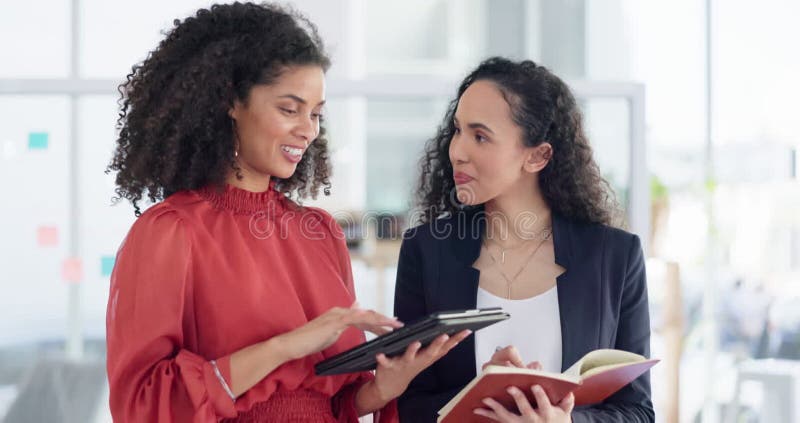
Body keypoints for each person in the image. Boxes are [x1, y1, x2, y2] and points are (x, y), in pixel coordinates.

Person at [105, 3, 469, 422]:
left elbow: (333, 404)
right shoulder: (170, 232)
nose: (309, 129)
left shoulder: (320, 232)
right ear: (230, 101)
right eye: (289, 109)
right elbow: (141, 406)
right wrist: (286, 346)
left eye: (315, 114)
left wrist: (384, 387)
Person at [394, 57, 654, 422]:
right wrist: (476, 396)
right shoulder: (426, 251)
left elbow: (638, 411)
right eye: (458, 130)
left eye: (480, 136)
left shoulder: (614, 257)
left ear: (538, 155)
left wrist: (567, 422)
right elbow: (404, 407)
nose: (457, 151)